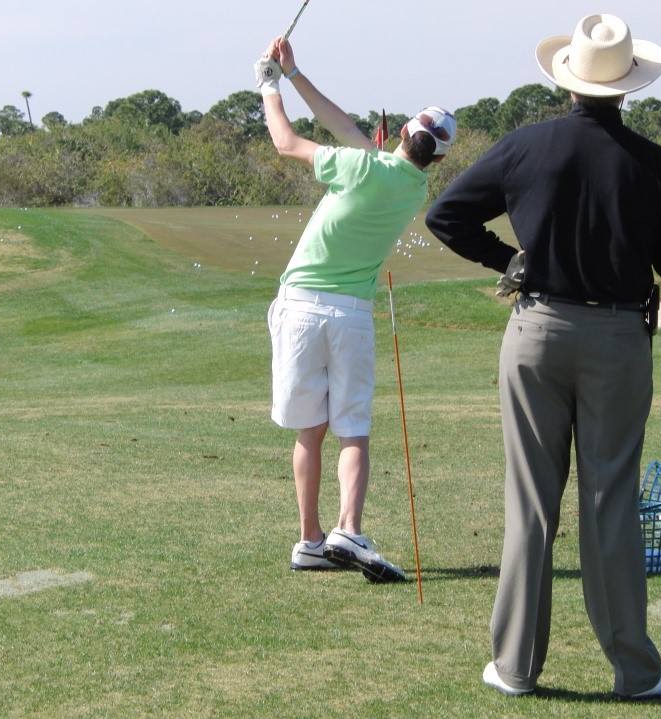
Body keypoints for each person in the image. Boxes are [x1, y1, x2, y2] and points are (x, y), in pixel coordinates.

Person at [425, 13, 661, 698]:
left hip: (534, 333)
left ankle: (513, 667)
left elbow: (445, 215)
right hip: (619, 340)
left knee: (531, 503)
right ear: (626, 87)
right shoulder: (653, 164)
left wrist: (511, 260)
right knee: (610, 501)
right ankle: (634, 670)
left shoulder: (526, 146)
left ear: (567, 81)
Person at [254, 36, 457, 583]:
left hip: (298, 309)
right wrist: (296, 75)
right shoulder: (410, 187)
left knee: (309, 431)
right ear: (435, 158)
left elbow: (286, 142)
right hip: (349, 316)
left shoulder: (365, 168)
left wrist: (269, 87)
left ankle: (310, 540)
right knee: (352, 430)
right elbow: (343, 126)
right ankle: (348, 527)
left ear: (405, 133)